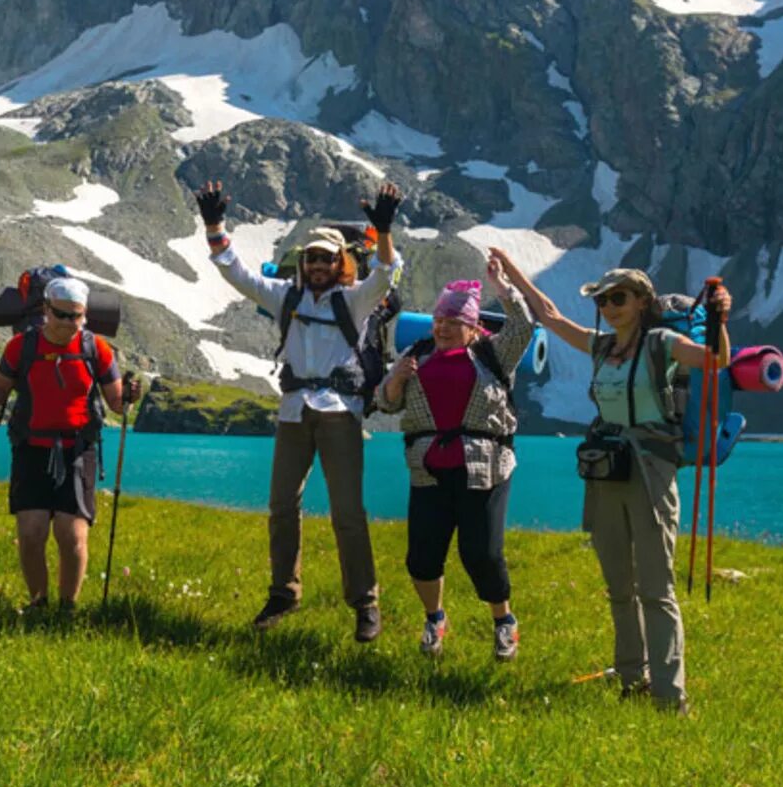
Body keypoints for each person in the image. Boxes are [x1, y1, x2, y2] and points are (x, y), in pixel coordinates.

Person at [494, 247, 732, 713]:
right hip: (606, 469)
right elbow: (550, 314)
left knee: (655, 588)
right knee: (619, 584)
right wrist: (512, 275)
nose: (608, 307)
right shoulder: (601, 345)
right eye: (602, 300)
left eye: (618, 298)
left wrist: (721, 320)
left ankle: (670, 697)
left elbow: (715, 360)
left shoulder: (662, 343)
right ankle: (630, 680)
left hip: (650, 469)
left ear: (642, 301)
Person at [197, 179, 402, 642]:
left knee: (348, 511)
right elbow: (236, 273)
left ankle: (365, 601)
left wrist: (383, 232)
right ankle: (284, 592)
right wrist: (214, 225)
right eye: (310, 258)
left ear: (340, 263)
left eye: (326, 258)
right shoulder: (284, 298)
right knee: (280, 506)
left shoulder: (356, 299)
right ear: (303, 263)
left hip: (339, 412)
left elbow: (387, 274)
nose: (317, 265)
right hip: (292, 412)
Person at [375, 261, 535, 660]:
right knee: (422, 557)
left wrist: (503, 286)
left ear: (472, 324)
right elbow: (385, 402)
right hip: (428, 470)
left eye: (452, 320)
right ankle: (435, 619)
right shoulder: (418, 354)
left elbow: (523, 328)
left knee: (481, 554)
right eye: (438, 319)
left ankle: (504, 622)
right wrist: (395, 379)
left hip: (485, 468)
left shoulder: (492, 353)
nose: (442, 327)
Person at [0, 277, 141, 612]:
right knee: (32, 532)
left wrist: (131, 396)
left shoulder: (97, 349)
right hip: (31, 447)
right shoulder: (22, 347)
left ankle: (67, 607)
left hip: (78, 449)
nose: (68, 323)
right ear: (46, 311)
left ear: (85, 315)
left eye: (75, 317)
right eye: (61, 315)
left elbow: (117, 404)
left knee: (72, 534)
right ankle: (39, 602)